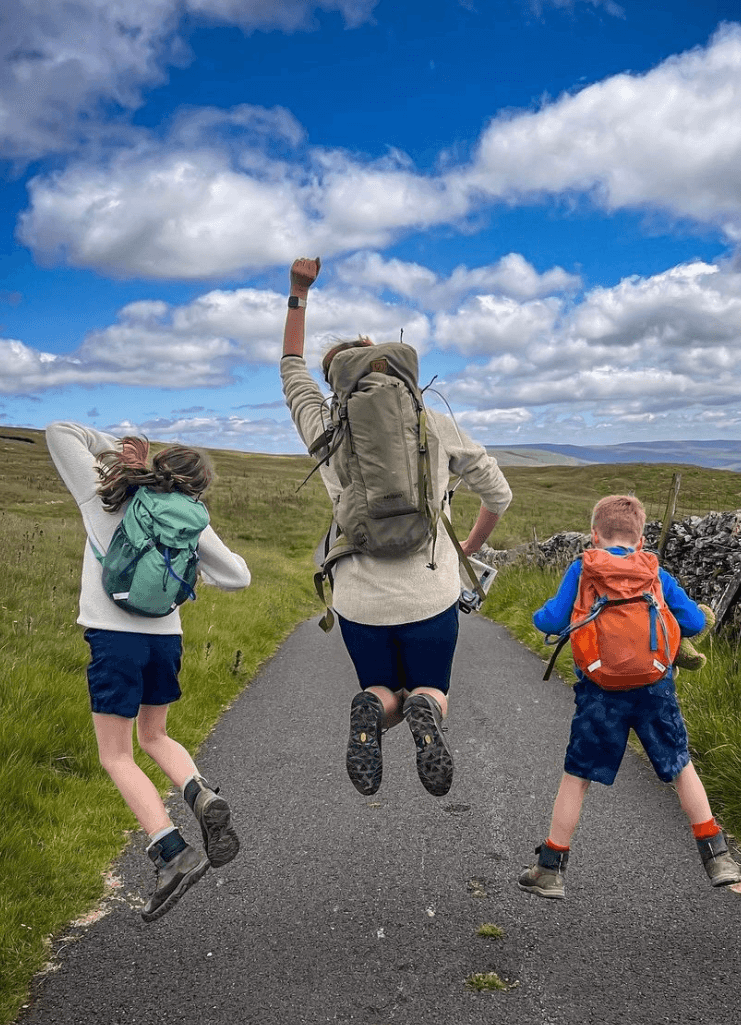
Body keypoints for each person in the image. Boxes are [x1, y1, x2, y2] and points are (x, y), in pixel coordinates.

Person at [280, 257, 512, 798]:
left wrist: (298, 292)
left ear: (338, 380)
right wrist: (464, 555)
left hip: (358, 599)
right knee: (430, 688)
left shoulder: (324, 426)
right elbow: (499, 494)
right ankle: (426, 709)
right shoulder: (433, 423)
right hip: (431, 594)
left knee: (381, 690)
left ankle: (371, 710)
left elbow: (291, 367)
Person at [46, 421, 251, 922]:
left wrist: (122, 454)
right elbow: (238, 576)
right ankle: (200, 795)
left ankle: (171, 853)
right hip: (165, 638)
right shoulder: (191, 517)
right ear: (198, 487)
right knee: (155, 735)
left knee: (116, 756)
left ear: (156, 465)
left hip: (112, 639)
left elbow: (58, 432)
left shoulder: (105, 494)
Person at [519, 493, 741, 899]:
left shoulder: (583, 568)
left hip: (599, 692)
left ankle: (550, 869)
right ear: (640, 538)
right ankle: (718, 856)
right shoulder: (654, 570)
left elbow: (551, 619)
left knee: (577, 776)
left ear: (595, 534)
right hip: (655, 687)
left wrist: (539, 616)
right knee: (680, 765)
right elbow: (692, 622)